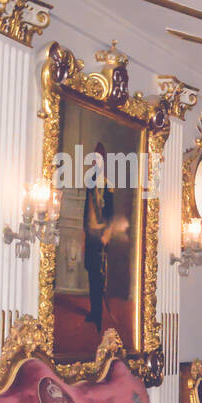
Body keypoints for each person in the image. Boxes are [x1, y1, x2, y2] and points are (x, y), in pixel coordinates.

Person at [82, 141, 113, 334]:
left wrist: (107, 234)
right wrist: (83, 232)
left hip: (102, 235)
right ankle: (94, 311)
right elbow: (87, 210)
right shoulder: (90, 183)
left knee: (99, 276)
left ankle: (99, 314)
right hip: (90, 233)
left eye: (99, 159)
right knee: (91, 272)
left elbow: (111, 213)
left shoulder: (108, 186)